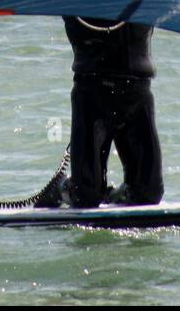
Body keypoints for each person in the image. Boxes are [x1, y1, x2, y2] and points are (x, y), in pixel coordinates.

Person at [48, 15, 164, 208]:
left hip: (138, 92)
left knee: (149, 194)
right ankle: (60, 188)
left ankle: (115, 195)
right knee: (86, 197)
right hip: (92, 92)